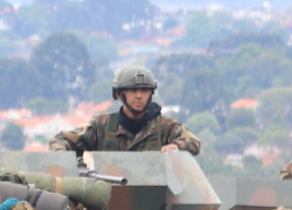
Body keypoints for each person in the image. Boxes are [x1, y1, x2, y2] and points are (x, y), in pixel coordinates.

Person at [50, 66, 202, 155]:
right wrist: (61, 154)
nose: (139, 96)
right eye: (133, 90)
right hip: (109, 196)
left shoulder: (164, 126)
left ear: (151, 94)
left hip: (155, 197)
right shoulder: (102, 125)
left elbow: (194, 142)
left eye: (144, 90)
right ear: (119, 94)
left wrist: (176, 146)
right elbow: (62, 139)